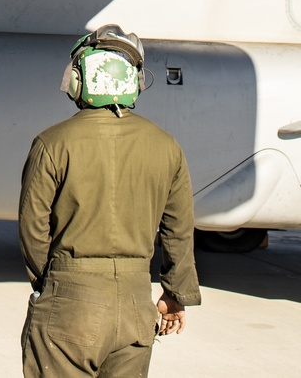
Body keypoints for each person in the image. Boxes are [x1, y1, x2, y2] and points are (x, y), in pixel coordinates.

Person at [19, 24, 200, 378]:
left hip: (69, 303)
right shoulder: (167, 146)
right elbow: (179, 230)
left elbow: (32, 227)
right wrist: (176, 294)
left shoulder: (52, 144)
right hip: (136, 308)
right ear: (133, 81)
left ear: (79, 79)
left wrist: (52, 283)